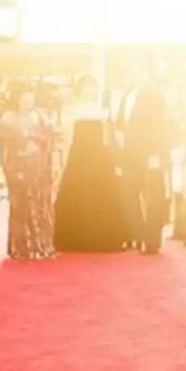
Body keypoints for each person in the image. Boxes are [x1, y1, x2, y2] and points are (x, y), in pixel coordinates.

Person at [54, 75, 126, 252]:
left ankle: (104, 236)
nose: (91, 91)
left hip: (100, 160)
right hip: (78, 159)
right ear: (81, 90)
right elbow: (66, 137)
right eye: (88, 87)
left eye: (94, 87)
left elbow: (108, 137)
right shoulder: (72, 110)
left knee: (101, 195)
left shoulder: (102, 110)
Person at [113, 68, 172, 254]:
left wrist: (156, 154)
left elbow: (161, 127)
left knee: (153, 197)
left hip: (150, 154)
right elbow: (120, 125)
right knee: (129, 194)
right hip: (129, 153)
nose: (134, 77)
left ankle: (151, 240)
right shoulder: (126, 97)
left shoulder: (156, 98)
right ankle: (139, 234)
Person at [0, 86, 56, 260]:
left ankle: (42, 245)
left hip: (38, 165)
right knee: (19, 207)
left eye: (30, 101)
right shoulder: (7, 119)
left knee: (40, 205)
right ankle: (20, 247)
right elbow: (4, 148)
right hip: (17, 166)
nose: (27, 104)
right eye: (24, 101)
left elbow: (48, 141)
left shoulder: (40, 117)